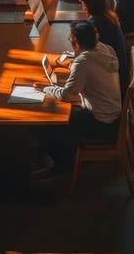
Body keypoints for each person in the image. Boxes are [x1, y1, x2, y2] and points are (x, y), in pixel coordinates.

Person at [35, 21, 122, 169]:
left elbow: (67, 95)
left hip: (101, 122)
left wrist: (47, 88)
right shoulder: (105, 49)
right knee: (65, 114)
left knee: (48, 123)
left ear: (76, 43)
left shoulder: (83, 62)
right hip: (114, 116)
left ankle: (64, 165)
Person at [77, 0, 129, 93]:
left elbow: (87, 55)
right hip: (120, 73)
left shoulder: (95, 25)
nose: (82, 7)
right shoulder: (109, 16)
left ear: (87, 4)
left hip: (113, 81)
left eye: (83, 3)